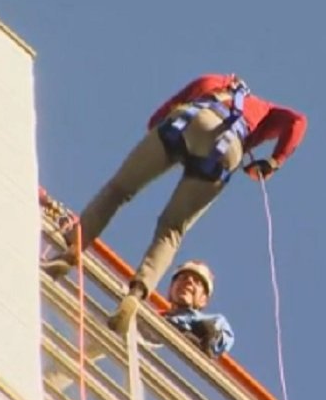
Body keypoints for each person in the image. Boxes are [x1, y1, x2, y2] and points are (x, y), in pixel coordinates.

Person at [41, 73, 306, 334]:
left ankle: (70, 250)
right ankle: (136, 293)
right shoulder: (264, 110)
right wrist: (273, 161)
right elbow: (297, 121)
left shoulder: (210, 80)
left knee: (118, 190)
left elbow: (156, 119)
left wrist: (162, 149)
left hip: (186, 121)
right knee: (172, 228)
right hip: (228, 149)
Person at [44, 260, 235, 391]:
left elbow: (217, 338)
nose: (188, 282)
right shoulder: (155, 316)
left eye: (196, 283)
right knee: (91, 345)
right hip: (131, 338)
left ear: (203, 300)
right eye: (183, 278)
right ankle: (51, 379)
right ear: (170, 290)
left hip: (152, 352)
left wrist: (199, 343)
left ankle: (53, 379)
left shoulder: (208, 321)